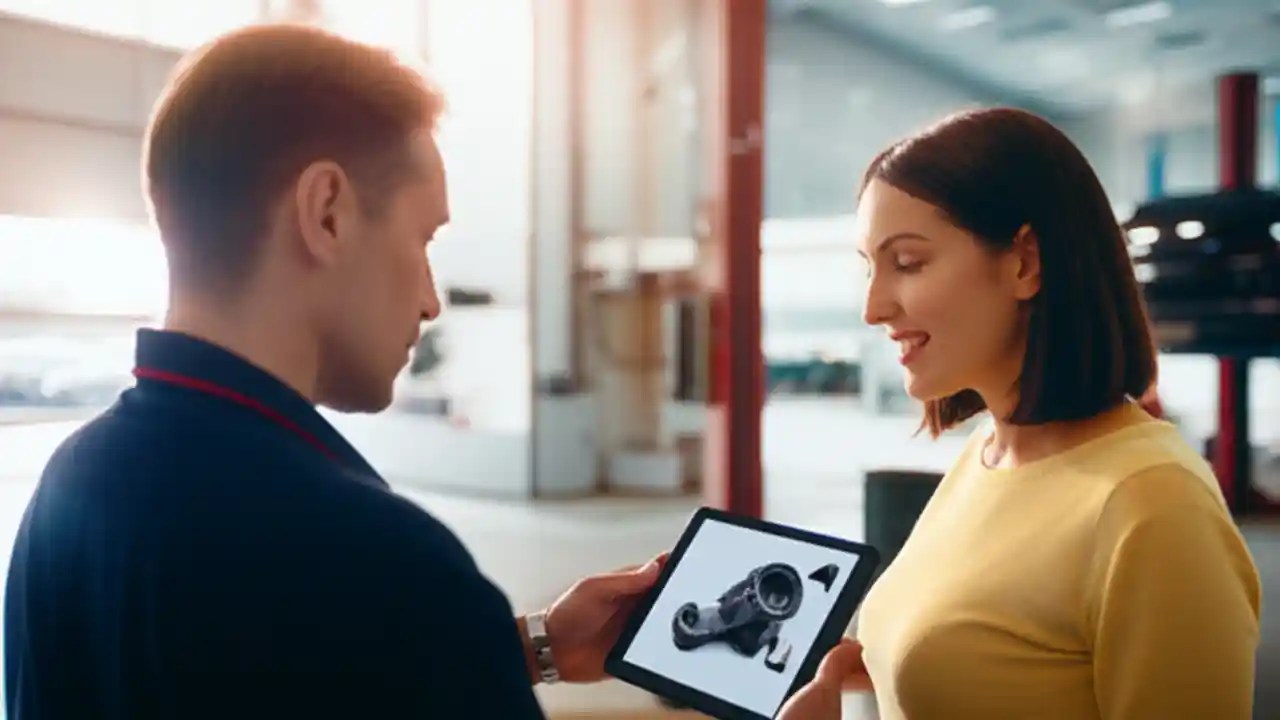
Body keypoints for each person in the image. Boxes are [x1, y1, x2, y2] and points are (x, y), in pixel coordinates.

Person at [4, 24, 665, 719]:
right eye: (423, 239)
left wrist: (524, 649)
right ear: (326, 213)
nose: (430, 300)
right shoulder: (385, 565)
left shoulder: (72, 486)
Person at [786, 107, 1262, 719]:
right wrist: (883, 661)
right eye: (869, 268)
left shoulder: (1153, 503)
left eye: (907, 263)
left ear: (1025, 262)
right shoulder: (988, 457)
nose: (873, 308)